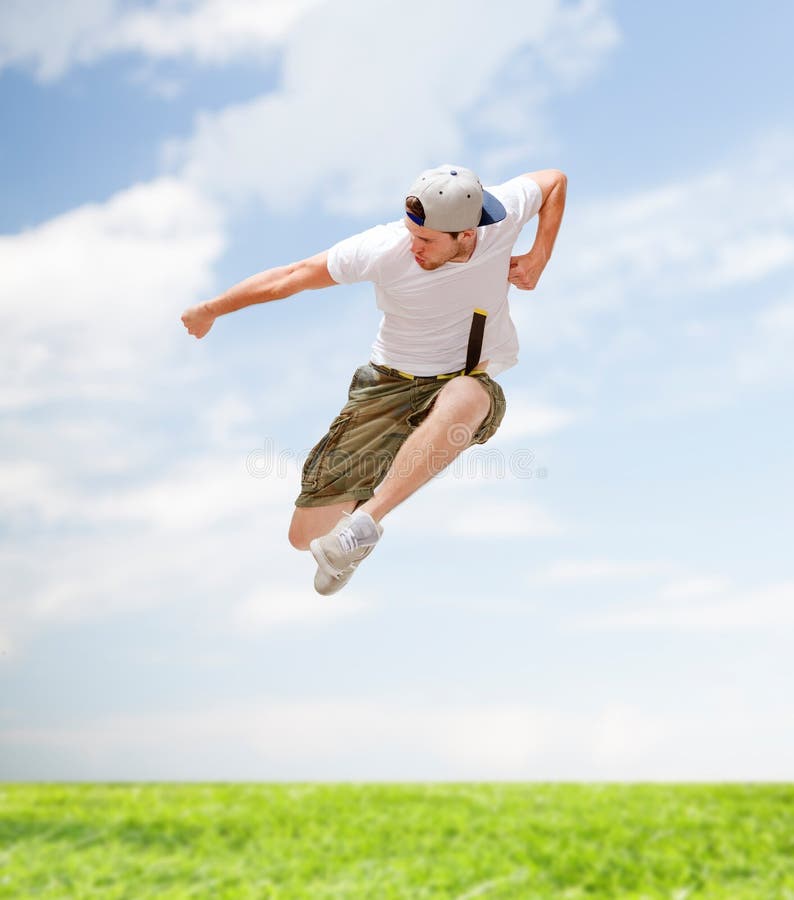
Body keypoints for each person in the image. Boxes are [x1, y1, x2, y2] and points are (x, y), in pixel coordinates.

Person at [182, 164, 567, 595]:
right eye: (411, 233)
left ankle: (364, 527)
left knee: (467, 394)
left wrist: (540, 255)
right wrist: (212, 308)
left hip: (464, 379)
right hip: (386, 386)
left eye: (426, 240)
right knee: (303, 535)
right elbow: (291, 276)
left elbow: (554, 181)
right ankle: (385, 484)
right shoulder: (385, 248)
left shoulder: (504, 217)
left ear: (467, 234)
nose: (413, 246)